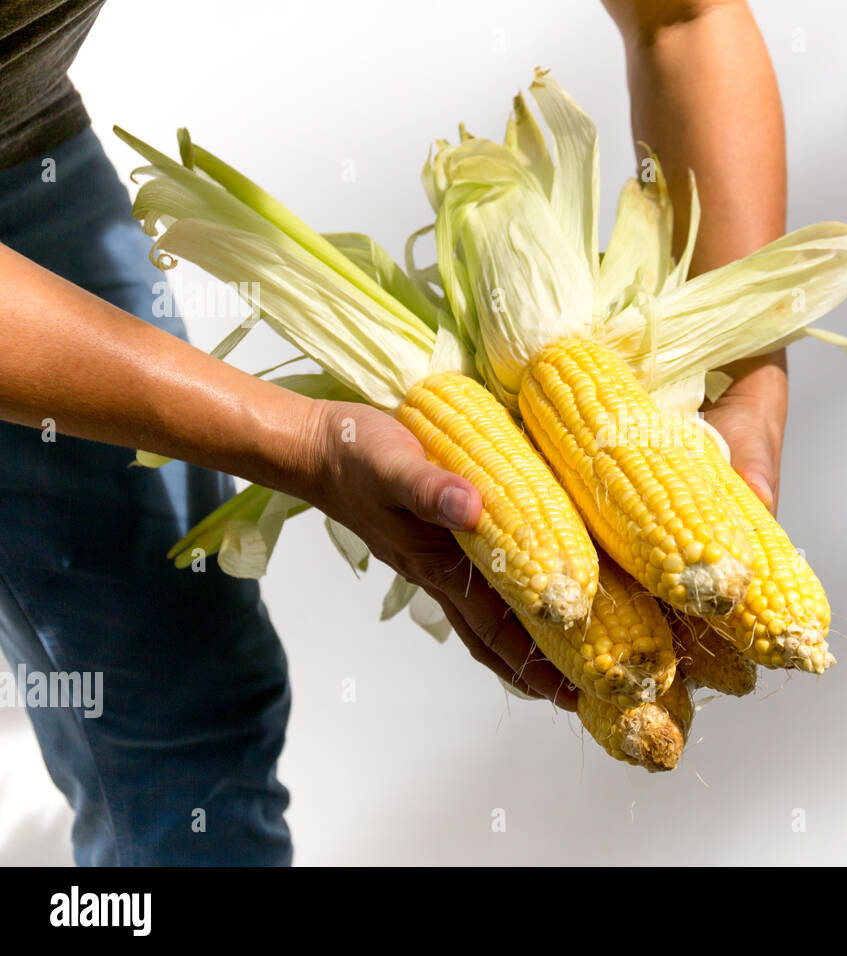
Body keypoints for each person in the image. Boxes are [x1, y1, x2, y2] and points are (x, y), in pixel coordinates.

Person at [0, 0, 789, 865]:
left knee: (187, 693)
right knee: (163, 716)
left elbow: (680, 18)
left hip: (21, 121)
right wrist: (304, 442)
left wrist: (745, 371)